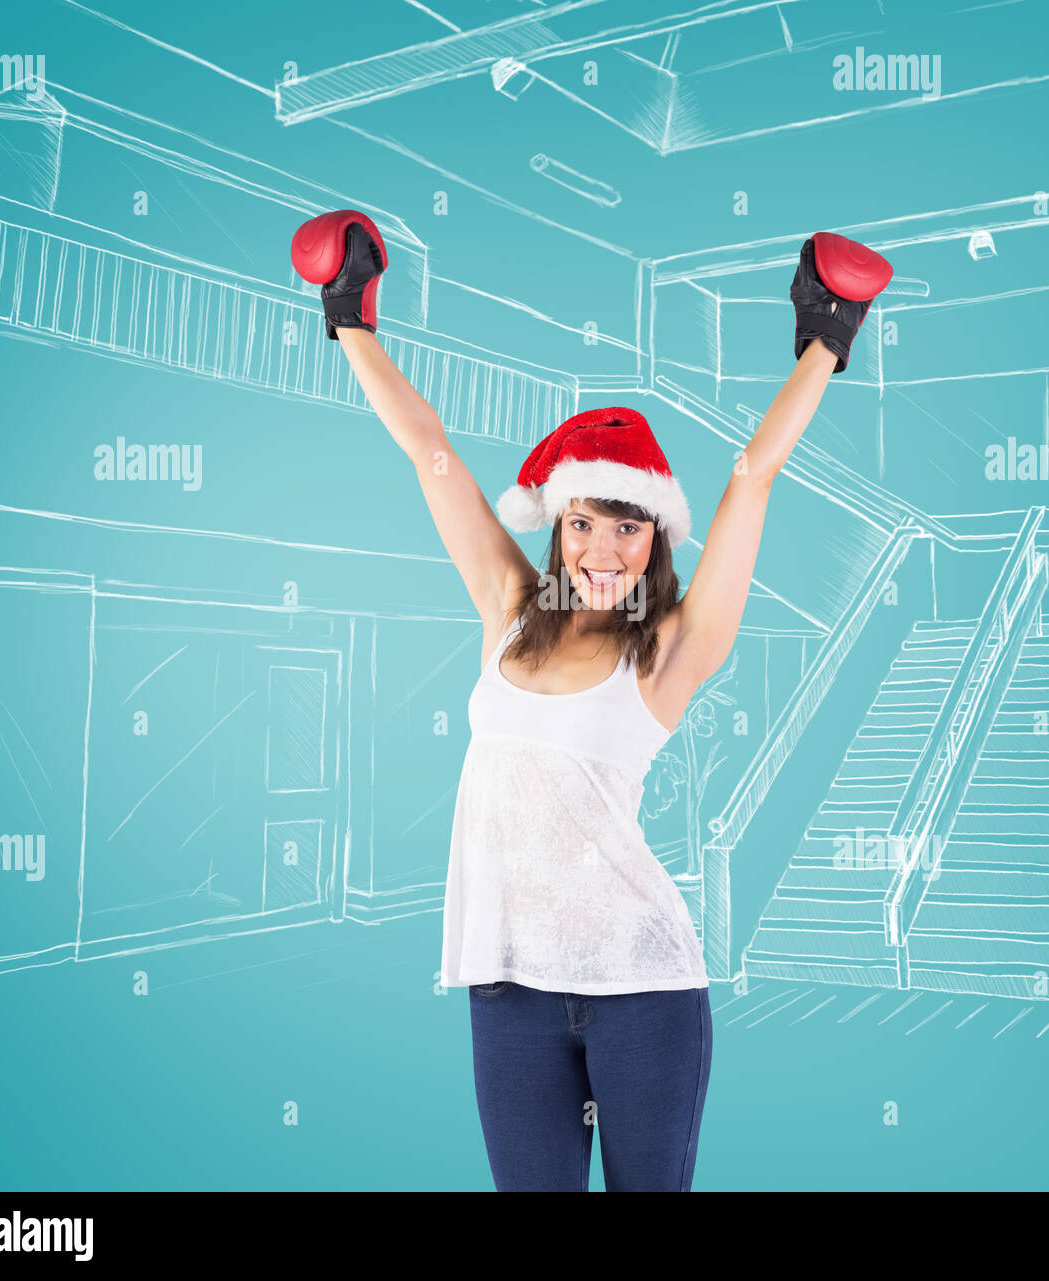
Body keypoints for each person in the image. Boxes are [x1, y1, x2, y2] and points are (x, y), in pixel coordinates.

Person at [290, 210, 892, 1191]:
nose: (602, 552)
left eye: (627, 529)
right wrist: (348, 315)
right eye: (581, 524)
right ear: (557, 527)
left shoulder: (668, 653)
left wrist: (826, 337)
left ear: (654, 540)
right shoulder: (508, 612)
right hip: (508, 990)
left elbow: (751, 480)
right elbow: (432, 456)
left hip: (643, 990)